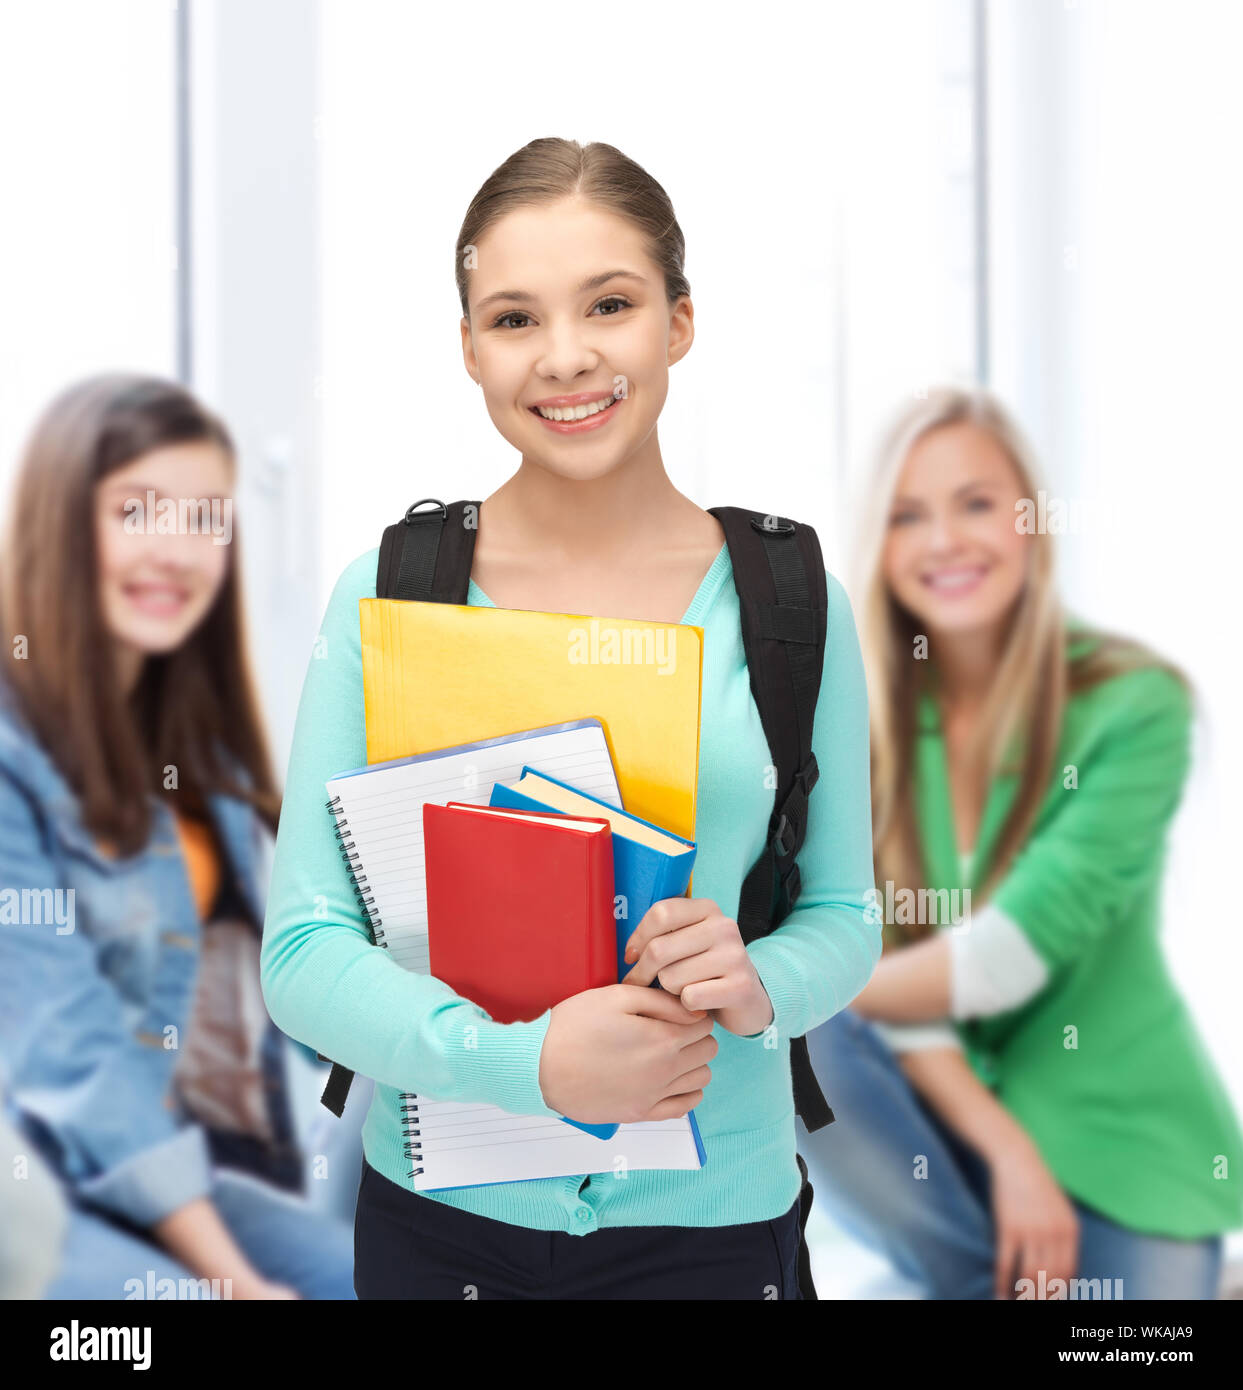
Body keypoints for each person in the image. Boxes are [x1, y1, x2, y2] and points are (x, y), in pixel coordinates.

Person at [260, 136, 881, 1300]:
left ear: (679, 322)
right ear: (467, 348)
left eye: (610, 303)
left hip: (715, 1227)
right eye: (512, 318)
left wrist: (759, 980)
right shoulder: (390, 593)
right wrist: (521, 1062)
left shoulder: (791, 603)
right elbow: (301, 952)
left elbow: (846, 910)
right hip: (443, 1231)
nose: (565, 357)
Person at [797, 385, 1243, 1300]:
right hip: (947, 1140)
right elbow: (890, 978)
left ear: (1032, 520)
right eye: (906, 514)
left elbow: (1007, 954)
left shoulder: (1132, 704)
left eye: (975, 503)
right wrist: (1003, 1151)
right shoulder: (863, 730)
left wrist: (824, 983)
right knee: (801, 1017)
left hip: (1120, 1150)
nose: (944, 540)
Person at [0, 373, 354, 1299]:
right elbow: (65, 1050)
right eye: (138, 509)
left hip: (156, 1173)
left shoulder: (195, 765)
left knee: (377, 1282)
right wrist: (229, 1276)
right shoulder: (9, 750)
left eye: (204, 518)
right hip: (26, 1184)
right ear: (59, 521)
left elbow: (299, 997)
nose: (175, 549)